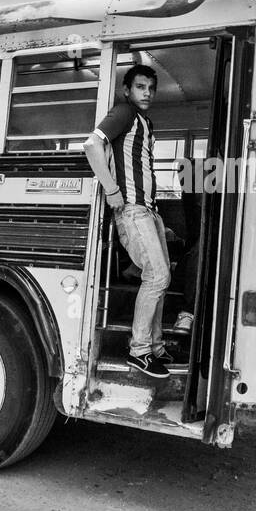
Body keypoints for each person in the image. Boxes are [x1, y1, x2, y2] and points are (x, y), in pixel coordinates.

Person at [83, 63, 173, 380]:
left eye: (150, 88)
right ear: (127, 90)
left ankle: (157, 347)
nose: (146, 93)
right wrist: (111, 190)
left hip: (149, 210)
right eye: (140, 87)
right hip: (133, 210)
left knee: (162, 278)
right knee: (158, 277)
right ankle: (139, 351)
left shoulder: (143, 121)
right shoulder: (124, 112)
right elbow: (91, 144)